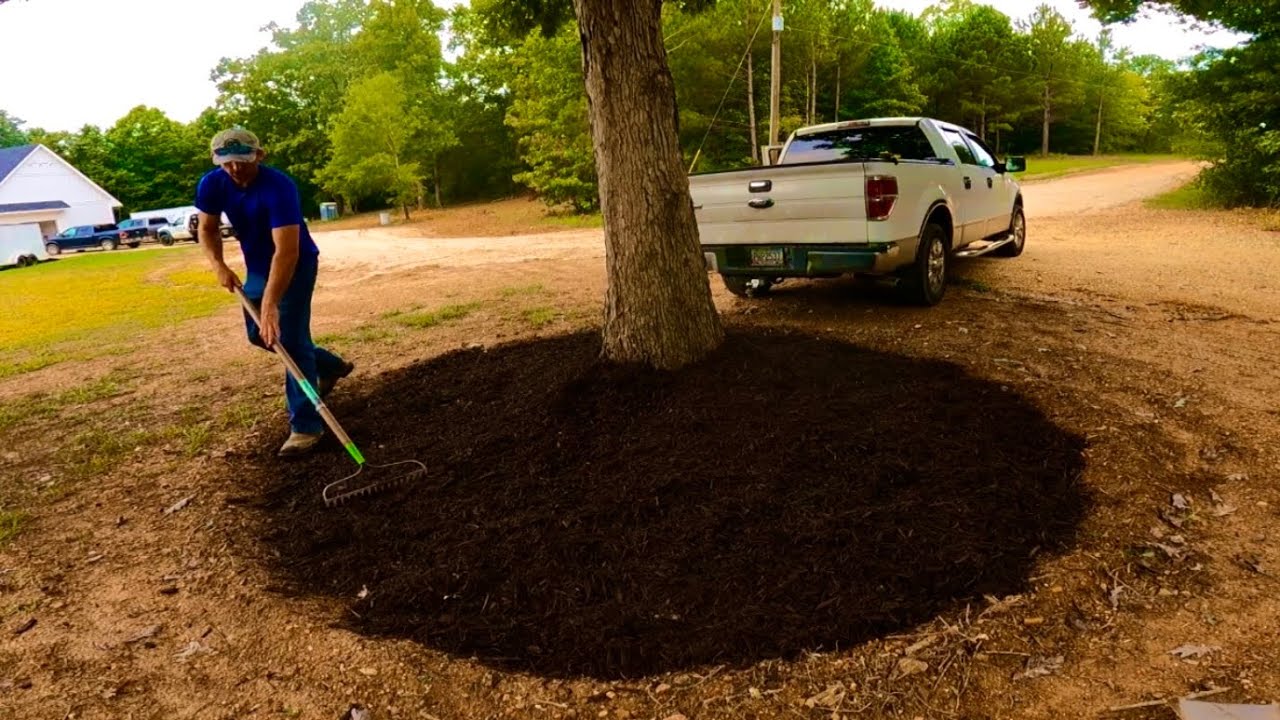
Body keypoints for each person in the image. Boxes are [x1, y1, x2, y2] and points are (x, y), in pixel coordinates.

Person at [195, 128, 354, 458]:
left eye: (242, 161)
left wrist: (270, 304)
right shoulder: (212, 183)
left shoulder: (279, 186)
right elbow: (207, 229)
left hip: (295, 264)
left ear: (259, 155)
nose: (234, 169)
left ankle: (307, 427)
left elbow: (287, 251)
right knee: (259, 336)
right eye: (227, 163)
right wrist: (218, 265)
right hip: (257, 267)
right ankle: (330, 365)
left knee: (291, 343)